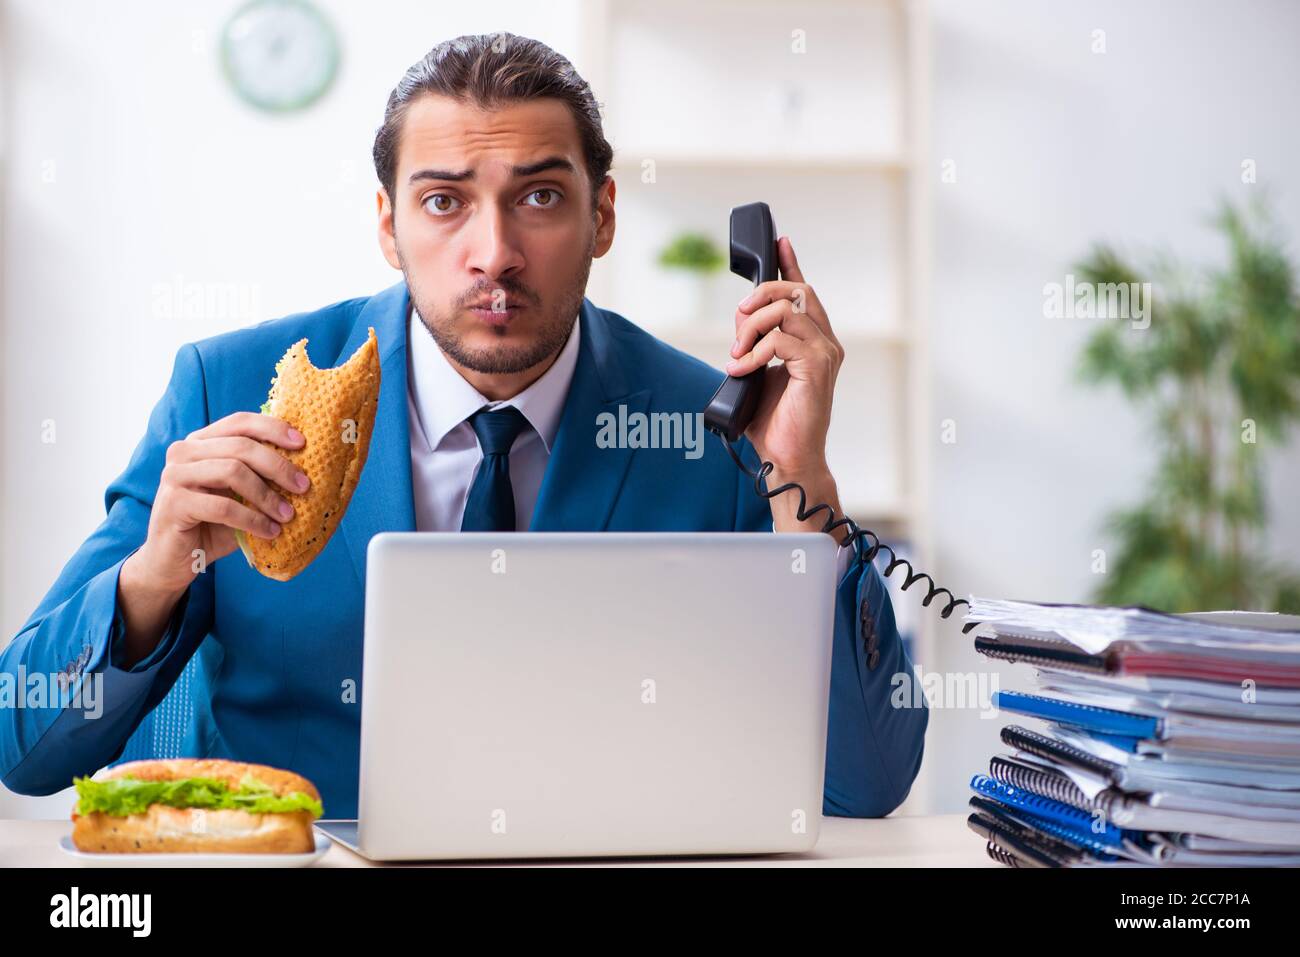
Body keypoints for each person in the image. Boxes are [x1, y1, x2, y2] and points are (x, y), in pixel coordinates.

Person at [0, 33, 926, 819]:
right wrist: (155, 576)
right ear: (388, 225)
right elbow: (21, 740)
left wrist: (803, 487)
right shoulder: (228, 389)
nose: (494, 254)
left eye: (540, 197)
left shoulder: (718, 429)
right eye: (444, 202)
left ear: (603, 216)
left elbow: (866, 786)